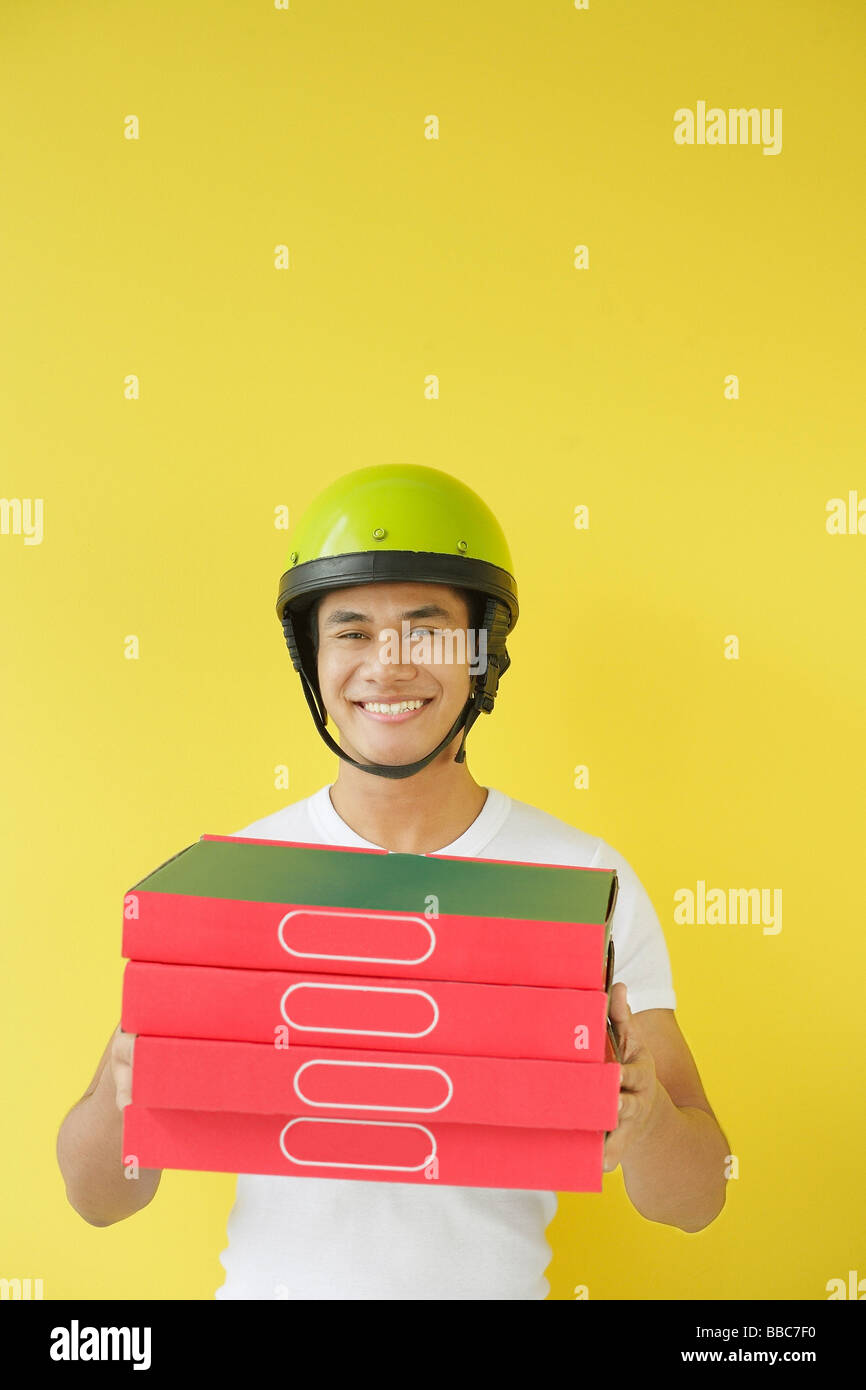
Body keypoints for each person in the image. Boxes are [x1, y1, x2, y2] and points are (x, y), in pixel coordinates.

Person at [56, 463, 730, 1300]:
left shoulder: (584, 880)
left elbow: (699, 1198)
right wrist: (132, 1089)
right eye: (352, 632)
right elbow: (97, 1199)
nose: (389, 666)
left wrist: (648, 1117)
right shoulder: (232, 881)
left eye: (427, 629)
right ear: (312, 658)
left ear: (482, 653)